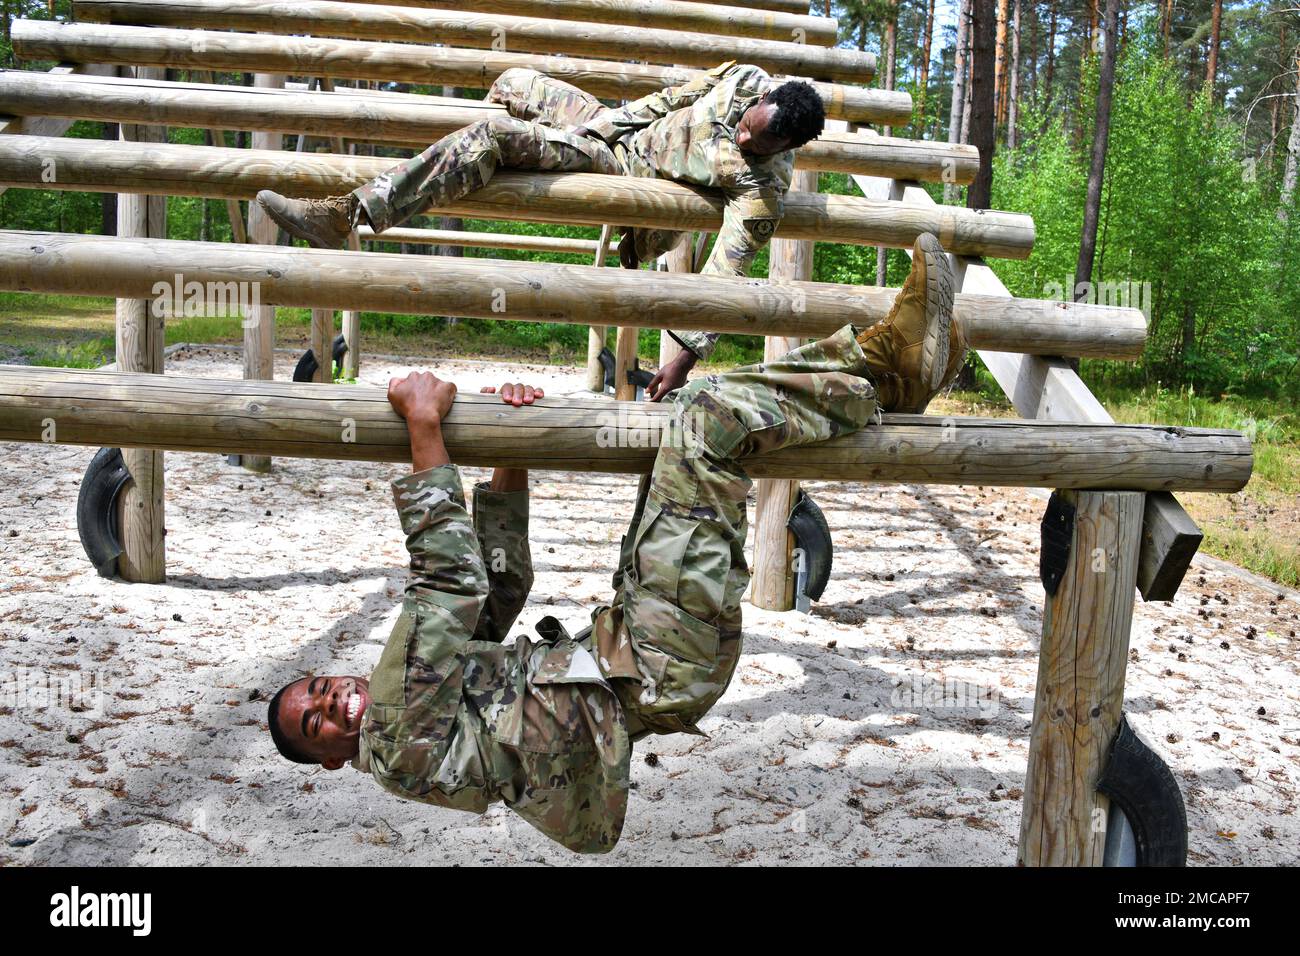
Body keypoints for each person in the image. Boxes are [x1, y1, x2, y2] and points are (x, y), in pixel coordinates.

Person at [265, 234, 967, 853]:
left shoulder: (420, 702)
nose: (335, 705)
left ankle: (889, 375)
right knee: (706, 422)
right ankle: (883, 367)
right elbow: (449, 584)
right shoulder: (394, 742)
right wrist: (423, 425)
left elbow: (496, 588)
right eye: (319, 723)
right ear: (330, 759)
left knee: (683, 423)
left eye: (321, 690)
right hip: (657, 664)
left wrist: (513, 449)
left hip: (646, 651)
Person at [255, 62, 826, 399]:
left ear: (787, 149)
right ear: (764, 98)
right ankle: (477, 162)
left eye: (761, 145)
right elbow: (676, 97)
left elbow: (726, 271)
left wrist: (683, 357)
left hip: (625, 171)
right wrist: (608, 121)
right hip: (617, 128)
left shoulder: (762, 190)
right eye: (749, 130)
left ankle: (347, 213)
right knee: (515, 80)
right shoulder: (746, 77)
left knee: (493, 135)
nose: (746, 143)